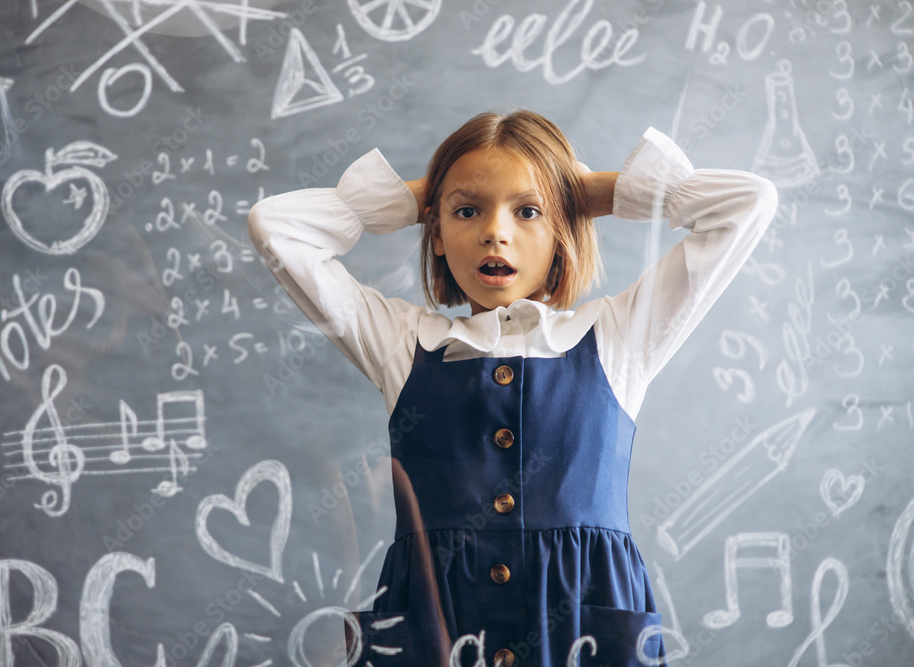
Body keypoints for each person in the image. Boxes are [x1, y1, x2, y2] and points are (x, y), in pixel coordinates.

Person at [248, 110, 778, 666]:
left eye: (528, 211)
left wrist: (595, 192)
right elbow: (275, 226)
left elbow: (749, 204)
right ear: (436, 233)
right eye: (467, 211)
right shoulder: (404, 343)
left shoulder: (616, 338)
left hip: (581, 627)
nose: (494, 231)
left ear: (565, 228)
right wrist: (420, 199)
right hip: (436, 625)